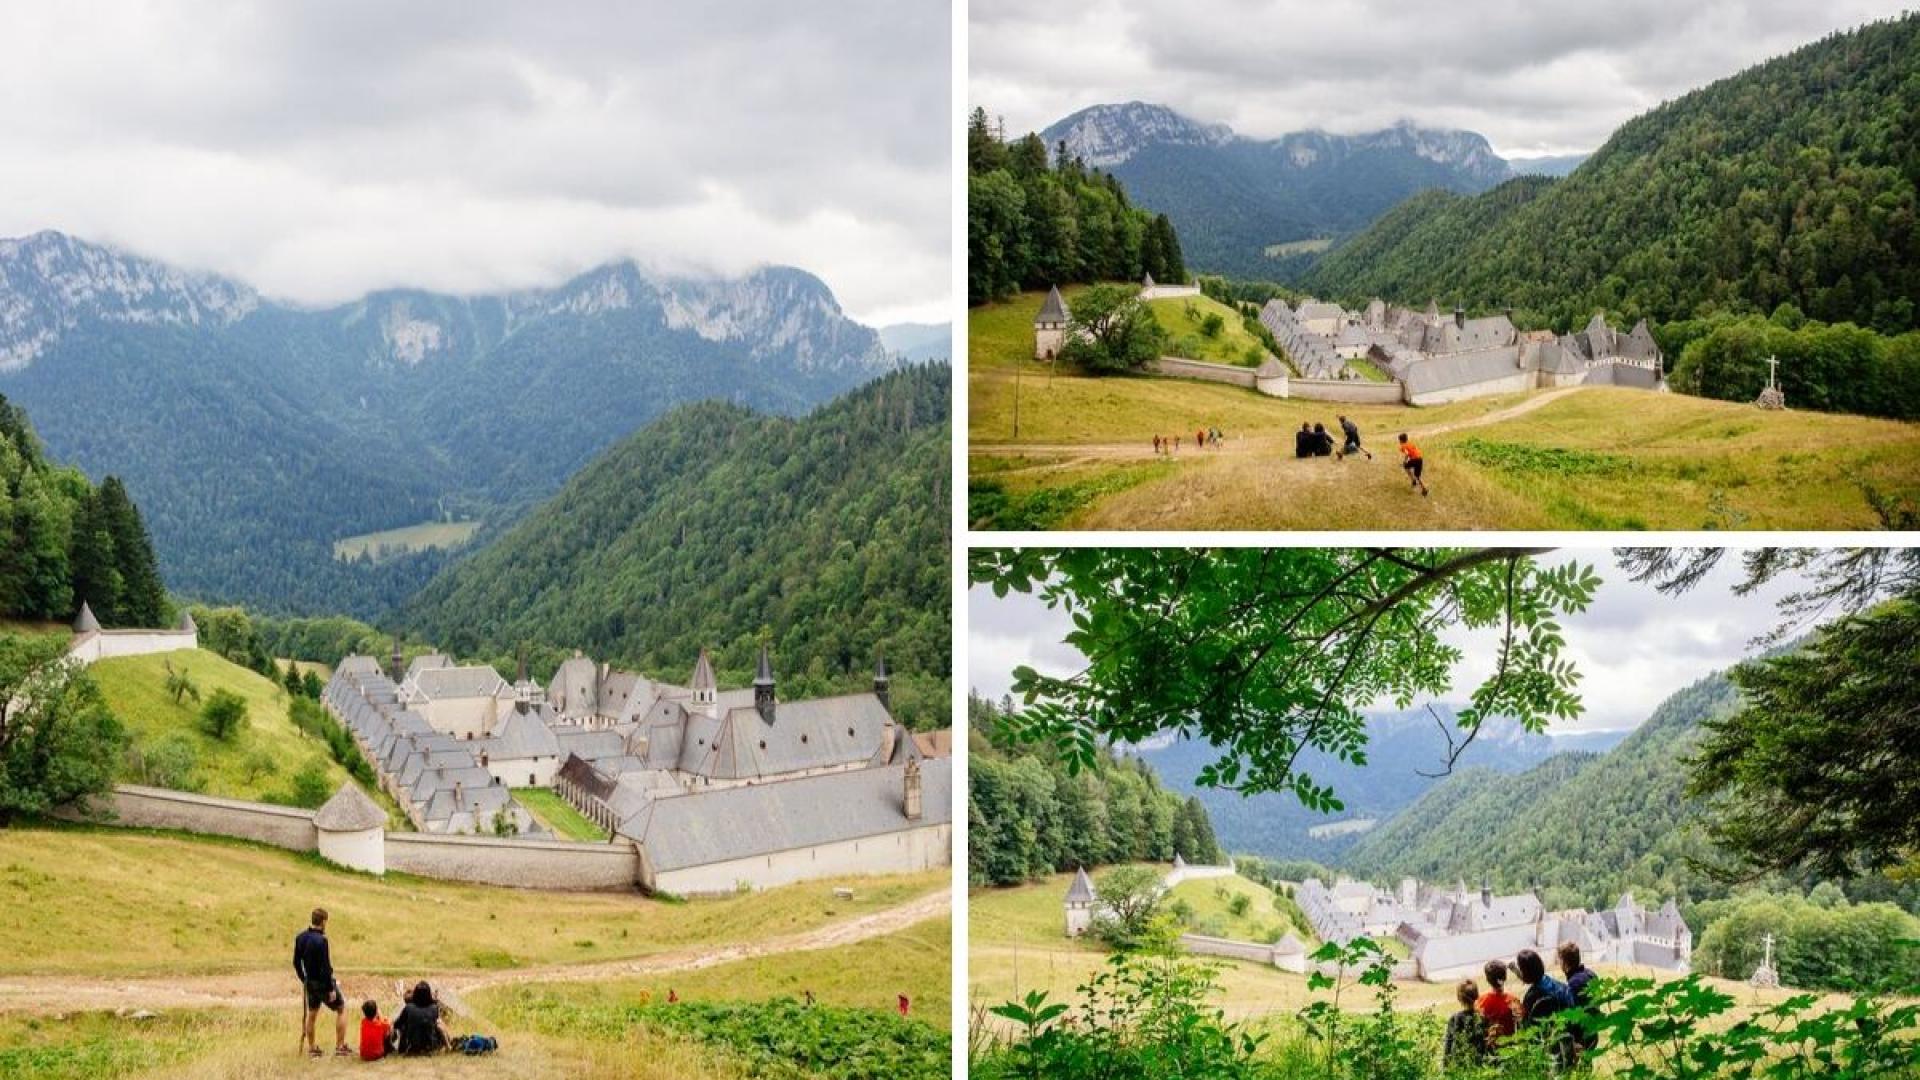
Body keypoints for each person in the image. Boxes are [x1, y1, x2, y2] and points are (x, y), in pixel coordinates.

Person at [293, 907, 349, 1058]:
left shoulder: (300, 937)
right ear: (323, 921)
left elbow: (296, 962)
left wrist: (304, 979)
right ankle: (340, 1046)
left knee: (312, 1014)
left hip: (309, 982)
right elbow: (325, 967)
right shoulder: (322, 940)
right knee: (341, 1008)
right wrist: (331, 988)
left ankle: (312, 1048)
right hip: (323, 983)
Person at [1516, 948, 1578, 1067]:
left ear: (1525, 972)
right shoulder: (1559, 985)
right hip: (1568, 1040)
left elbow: (1529, 1029)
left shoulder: (1532, 996)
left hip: (1548, 1050)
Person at [1559, 941, 1601, 1058]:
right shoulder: (1591, 974)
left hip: (1581, 1036)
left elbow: (1573, 1014)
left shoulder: (1574, 984)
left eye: (1560, 960)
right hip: (1593, 1031)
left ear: (1564, 963)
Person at [394, 980, 450, 1056]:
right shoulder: (434, 1008)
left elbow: (397, 1024)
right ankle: (448, 1045)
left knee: (403, 1025)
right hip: (431, 1046)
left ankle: (402, 1048)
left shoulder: (408, 1007)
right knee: (438, 1023)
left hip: (412, 1047)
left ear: (415, 994)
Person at [1443, 978, 1487, 1068]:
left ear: (1459, 998)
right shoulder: (1483, 1017)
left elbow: (1448, 1045)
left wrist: (1445, 1067)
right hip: (1479, 1064)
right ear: (1477, 995)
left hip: (1459, 1064)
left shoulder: (1455, 1018)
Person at [1478, 959, 1520, 1051]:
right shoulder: (1513, 1000)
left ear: (1487, 980)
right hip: (1510, 1048)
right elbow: (1520, 1023)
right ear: (1505, 977)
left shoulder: (1481, 1001)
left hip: (1490, 1049)